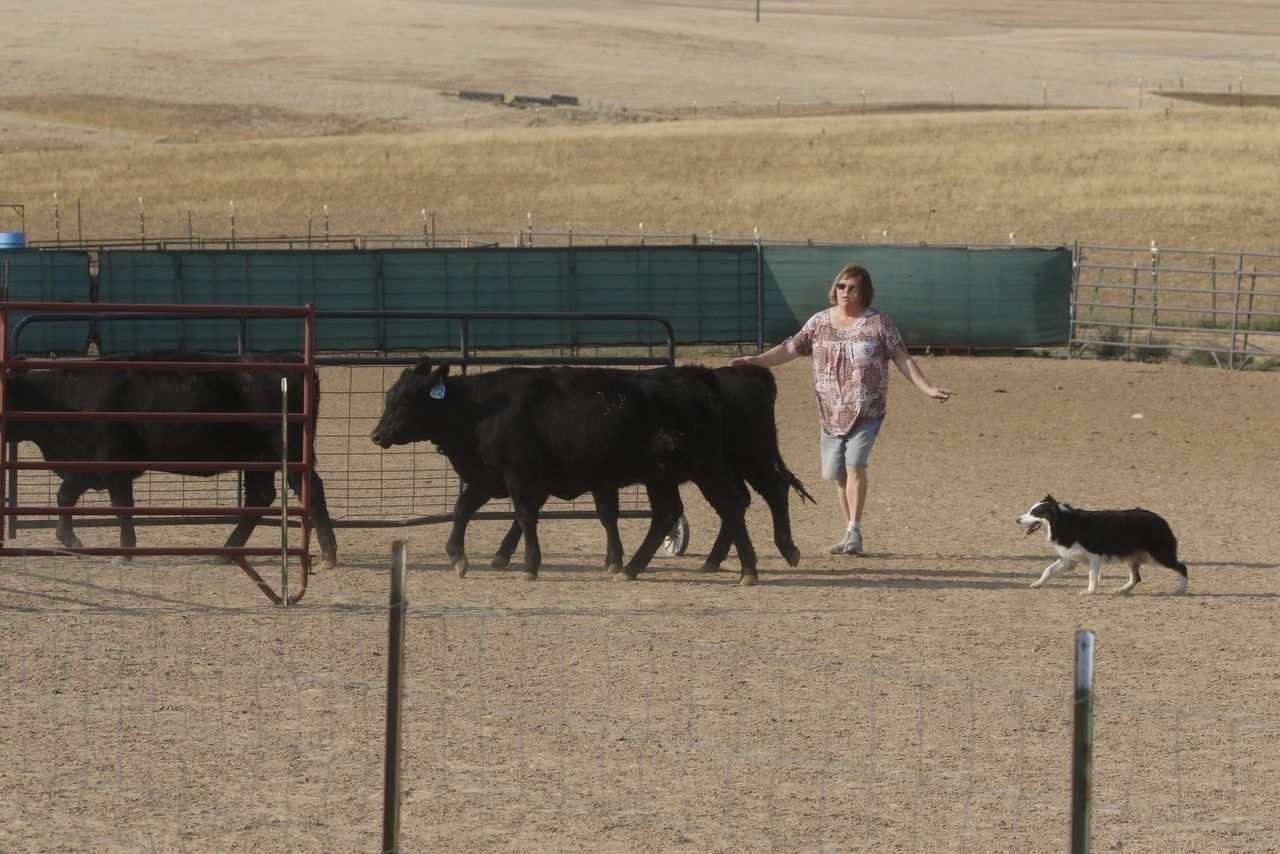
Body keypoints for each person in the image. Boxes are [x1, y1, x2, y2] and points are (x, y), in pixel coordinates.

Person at [729, 263, 956, 555]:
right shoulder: (819, 322)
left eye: (853, 287)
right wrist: (756, 360)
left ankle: (854, 530)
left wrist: (928, 389)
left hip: (867, 410)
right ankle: (849, 531)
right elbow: (790, 348)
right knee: (839, 474)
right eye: (841, 286)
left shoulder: (879, 323)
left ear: (865, 293)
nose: (845, 292)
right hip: (830, 412)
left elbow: (901, 357)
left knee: (855, 464)